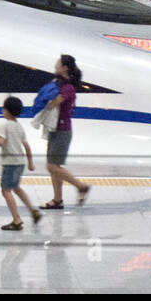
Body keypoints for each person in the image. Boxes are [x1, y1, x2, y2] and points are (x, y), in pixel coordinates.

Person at [0, 96, 40, 230]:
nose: (2, 110)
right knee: (16, 187)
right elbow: (27, 146)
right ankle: (33, 211)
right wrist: (30, 163)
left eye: (3, 108)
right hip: (20, 163)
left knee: (5, 191)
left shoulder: (4, 125)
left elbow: (0, 142)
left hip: (10, 163)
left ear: (6, 110)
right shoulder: (19, 126)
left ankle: (16, 220)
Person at [41, 54, 91, 209]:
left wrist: (47, 97)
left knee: (51, 166)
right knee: (54, 167)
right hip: (55, 129)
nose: (55, 67)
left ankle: (80, 186)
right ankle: (57, 200)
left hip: (62, 131)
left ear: (65, 68)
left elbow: (52, 104)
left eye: (57, 64)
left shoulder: (67, 88)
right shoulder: (59, 83)